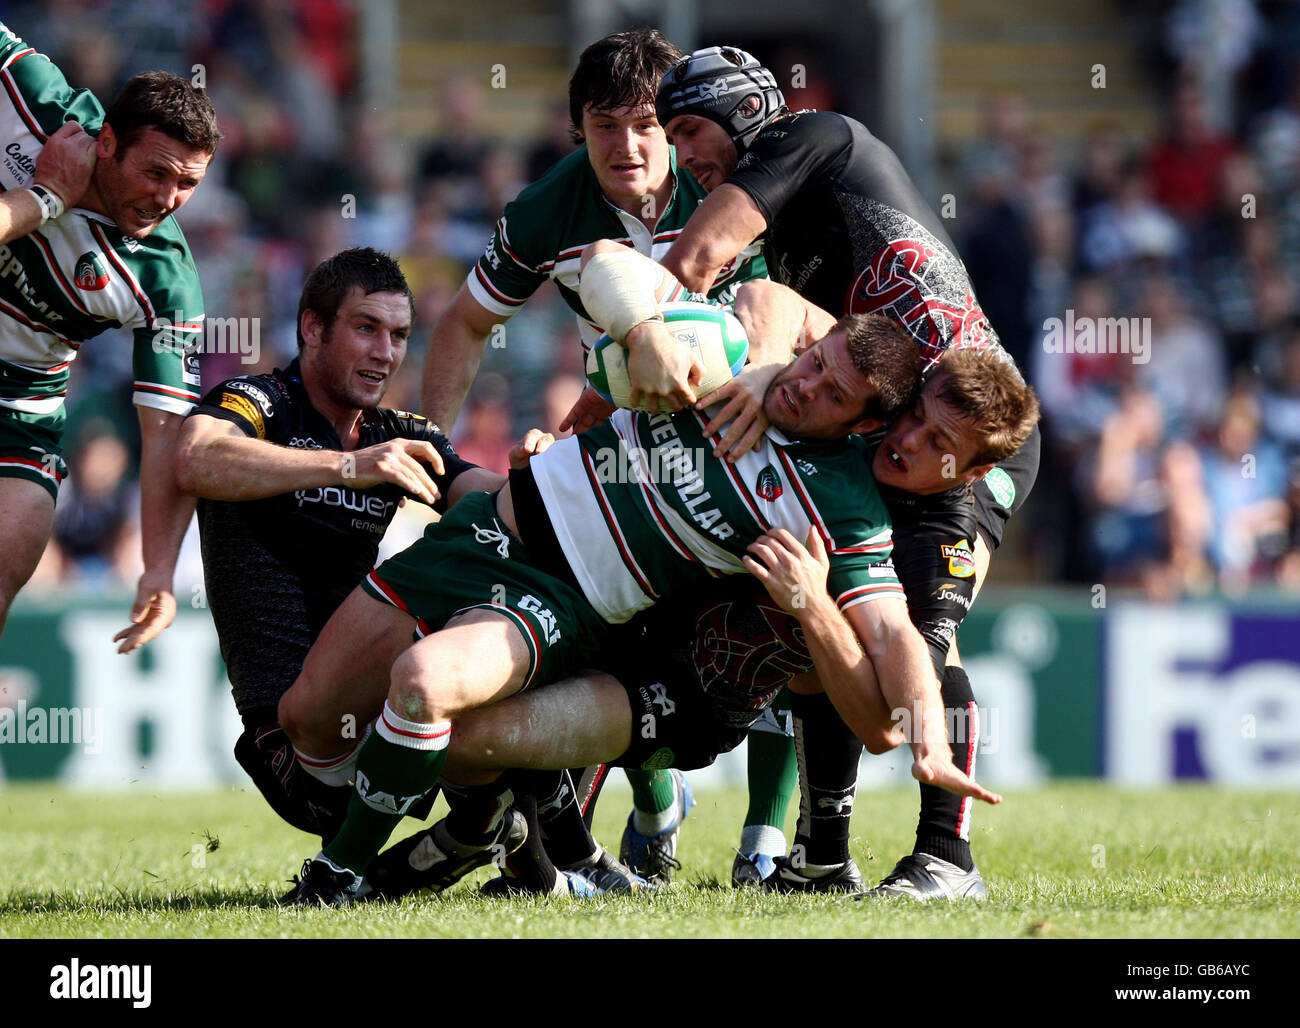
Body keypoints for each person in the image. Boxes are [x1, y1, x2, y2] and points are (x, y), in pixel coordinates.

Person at [275, 283, 1001, 904]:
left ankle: (347, 872)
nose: (807, 387)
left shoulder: (860, 511)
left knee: (436, 701)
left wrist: (925, 741)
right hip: (485, 539)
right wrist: (655, 331)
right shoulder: (731, 362)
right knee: (309, 720)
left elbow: (896, 655)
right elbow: (617, 267)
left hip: (592, 616)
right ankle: (494, 831)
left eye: (833, 393)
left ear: (863, 423)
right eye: (816, 363)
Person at [648, 45, 1041, 896]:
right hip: (897, 425)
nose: (686, 157)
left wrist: (628, 361)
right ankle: (822, 856)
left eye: (689, 130)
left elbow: (694, 261)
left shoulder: (815, 137)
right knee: (828, 605)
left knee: (923, 643)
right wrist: (763, 367)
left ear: (746, 114)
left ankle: (948, 857)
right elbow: (814, 325)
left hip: (962, 443)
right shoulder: (795, 226)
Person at [420, 27, 782, 884]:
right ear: (576, 128)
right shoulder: (552, 206)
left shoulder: (736, 181)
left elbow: (794, 302)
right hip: (637, 446)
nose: (628, 145)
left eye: (648, 124)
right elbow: (466, 320)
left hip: (756, 426)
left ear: (680, 123)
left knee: (777, 613)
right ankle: (655, 804)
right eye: (604, 125)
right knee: (622, 637)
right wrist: (427, 448)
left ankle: (770, 845)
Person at [176, 247, 492, 840]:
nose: (385, 353)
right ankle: (498, 838)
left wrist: (540, 475)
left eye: (398, 335)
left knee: (521, 591)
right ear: (312, 327)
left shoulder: (397, 433)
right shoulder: (263, 402)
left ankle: (478, 844)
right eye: (366, 328)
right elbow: (194, 458)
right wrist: (346, 467)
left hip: (382, 711)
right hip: (292, 741)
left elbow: (487, 496)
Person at [0, 21, 219, 652]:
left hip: (19, 403)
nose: (169, 198)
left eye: (188, 184)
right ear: (107, 142)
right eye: (156, 173)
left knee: (16, 537)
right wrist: (45, 198)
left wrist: (157, 567)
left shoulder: (167, 285)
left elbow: (165, 439)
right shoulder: (33, 98)